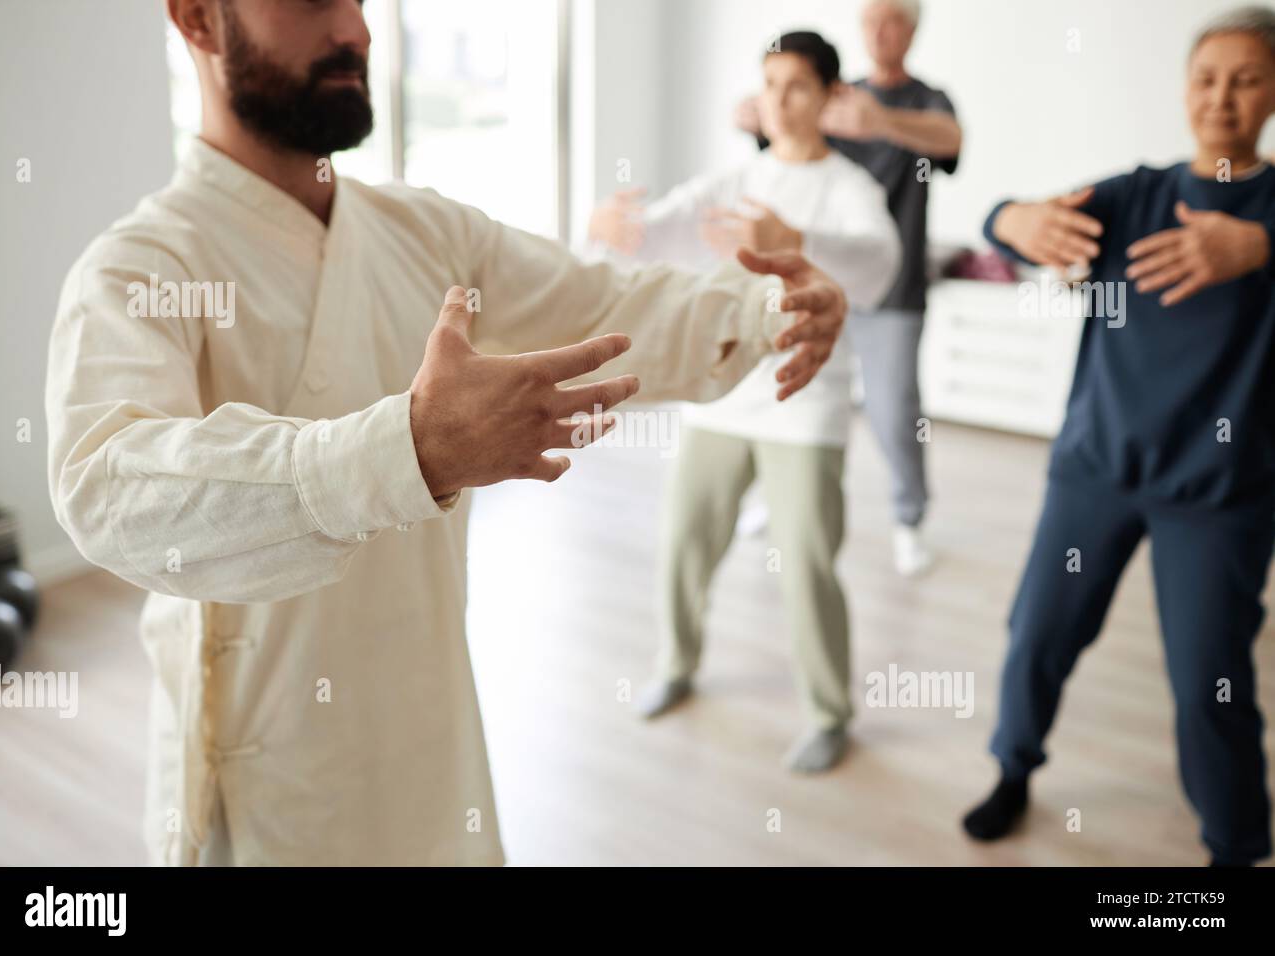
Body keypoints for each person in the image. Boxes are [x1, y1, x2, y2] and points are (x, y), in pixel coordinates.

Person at [45, 0, 850, 866]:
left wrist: (767, 306)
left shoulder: (424, 231)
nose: (355, 29)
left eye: (359, 0)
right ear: (199, 19)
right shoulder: (142, 266)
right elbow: (108, 485)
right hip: (270, 768)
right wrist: (407, 451)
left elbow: (604, 303)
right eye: (315, 2)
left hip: (430, 733)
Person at [963, 6, 1275, 867]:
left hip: (1220, 494)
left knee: (1209, 685)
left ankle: (1235, 848)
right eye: (1208, 78)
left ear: (1273, 92)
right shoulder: (1137, 193)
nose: (1223, 98)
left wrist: (1258, 243)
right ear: (1184, 91)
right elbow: (1008, 221)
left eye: (1247, 78)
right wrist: (1013, 219)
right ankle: (1013, 768)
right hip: (1097, 468)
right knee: (1038, 633)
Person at [590, 32, 899, 772]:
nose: (780, 100)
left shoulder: (851, 188)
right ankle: (676, 664)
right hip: (722, 396)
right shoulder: (733, 181)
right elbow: (648, 234)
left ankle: (829, 713)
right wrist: (607, 227)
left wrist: (797, 238)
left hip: (806, 402)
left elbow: (881, 271)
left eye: (796, 85)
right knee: (684, 541)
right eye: (769, 84)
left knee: (806, 562)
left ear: (830, 96)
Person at [736, 0, 960, 577]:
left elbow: (950, 138)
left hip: (891, 291)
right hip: (816, 284)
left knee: (892, 411)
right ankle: (774, 493)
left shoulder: (925, 101)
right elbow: (784, 153)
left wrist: (880, 122)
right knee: (786, 387)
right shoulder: (832, 92)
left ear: (911, 31)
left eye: (893, 21)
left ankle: (909, 521)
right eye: (871, 21)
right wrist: (760, 113)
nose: (880, 32)